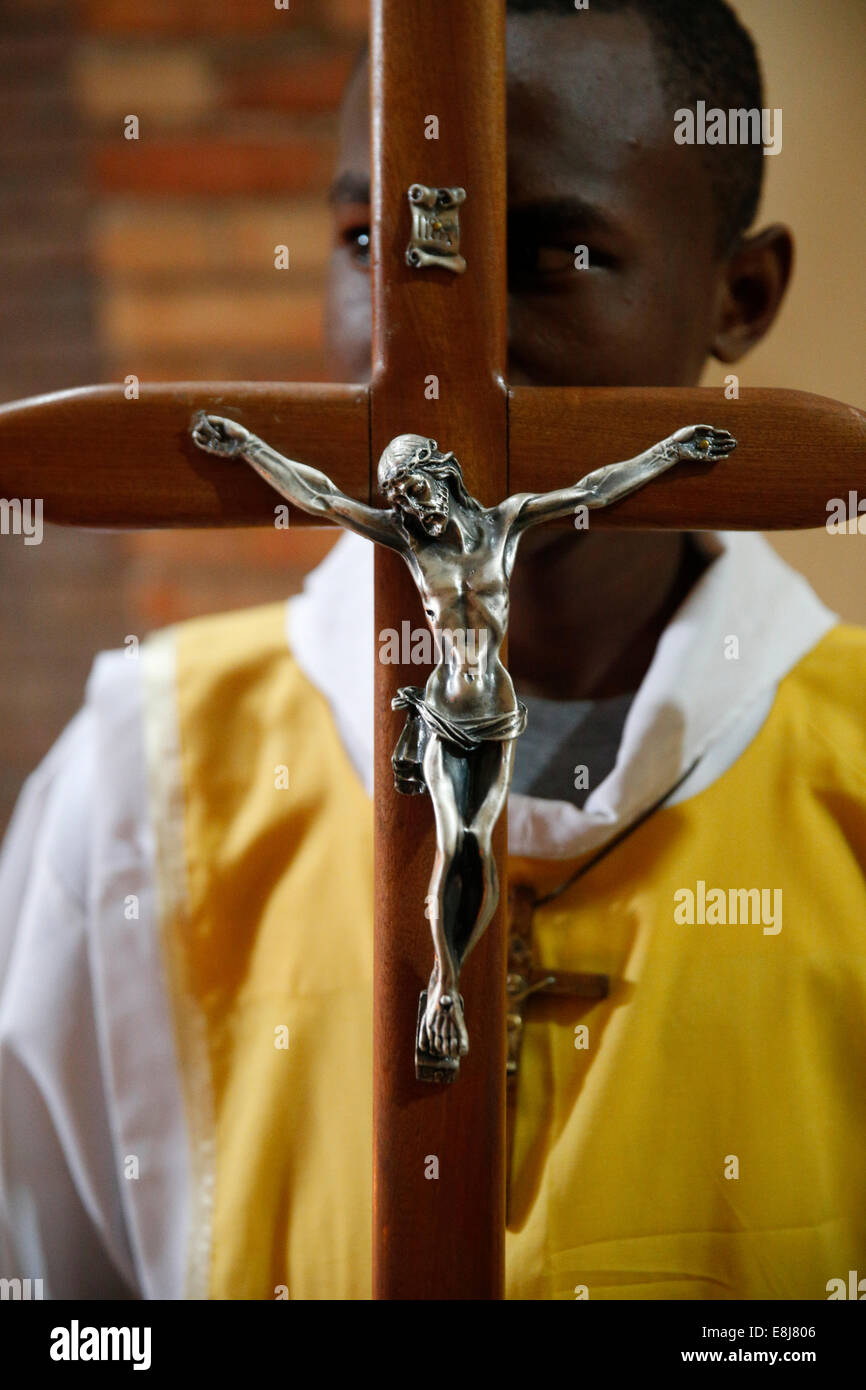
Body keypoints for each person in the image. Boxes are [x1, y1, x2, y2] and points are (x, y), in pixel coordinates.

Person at [1, 0, 864, 1301]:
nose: (428, 344)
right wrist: (230, 444)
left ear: (736, 298)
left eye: (557, 254)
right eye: (369, 243)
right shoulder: (145, 773)